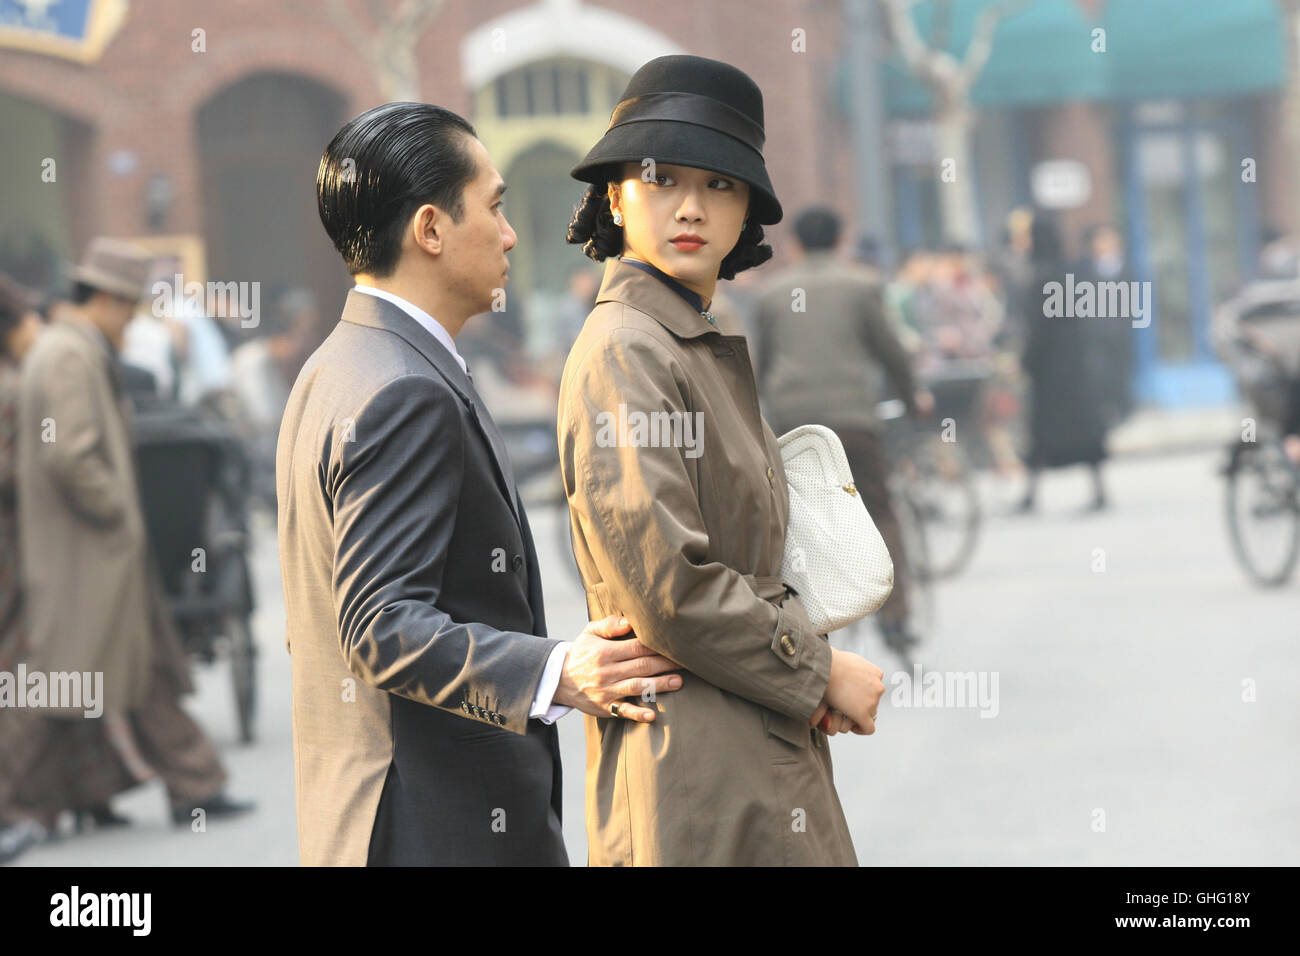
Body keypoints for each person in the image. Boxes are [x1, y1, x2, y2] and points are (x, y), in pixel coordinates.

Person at [281, 102, 684, 867]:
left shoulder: (337, 365)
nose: (509, 233)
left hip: (370, 815)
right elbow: (379, 625)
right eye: (495, 207)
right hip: (438, 824)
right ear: (430, 229)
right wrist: (558, 670)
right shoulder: (404, 388)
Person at [560, 55, 886, 866]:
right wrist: (818, 672)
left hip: (745, 746)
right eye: (662, 179)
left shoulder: (693, 340)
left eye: (721, 185)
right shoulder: (627, 351)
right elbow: (672, 584)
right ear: (616, 195)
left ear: (748, 210)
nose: (692, 208)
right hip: (696, 776)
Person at [17, 239, 253, 832]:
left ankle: (193, 787)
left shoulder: (70, 348)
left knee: (136, 672)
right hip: (87, 553)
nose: (131, 321)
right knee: (62, 687)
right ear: (104, 298)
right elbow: (70, 456)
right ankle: (23, 806)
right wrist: (121, 511)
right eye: (127, 306)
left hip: (95, 554)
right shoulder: (69, 355)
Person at [754, 205, 932, 656]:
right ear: (840, 241)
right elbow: (892, 352)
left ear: (794, 244)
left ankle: (811, 621)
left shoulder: (771, 294)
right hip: (854, 420)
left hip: (793, 427)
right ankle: (895, 618)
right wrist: (914, 400)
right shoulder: (862, 286)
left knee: (801, 525)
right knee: (879, 508)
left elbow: (756, 367)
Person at [1017, 213, 1111, 512]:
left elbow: (1038, 331)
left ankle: (1031, 494)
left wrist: (1026, 361)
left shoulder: (1041, 277)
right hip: (1078, 367)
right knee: (1083, 433)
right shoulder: (1070, 273)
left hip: (1052, 373)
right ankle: (1097, 491)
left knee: (1043, 433)